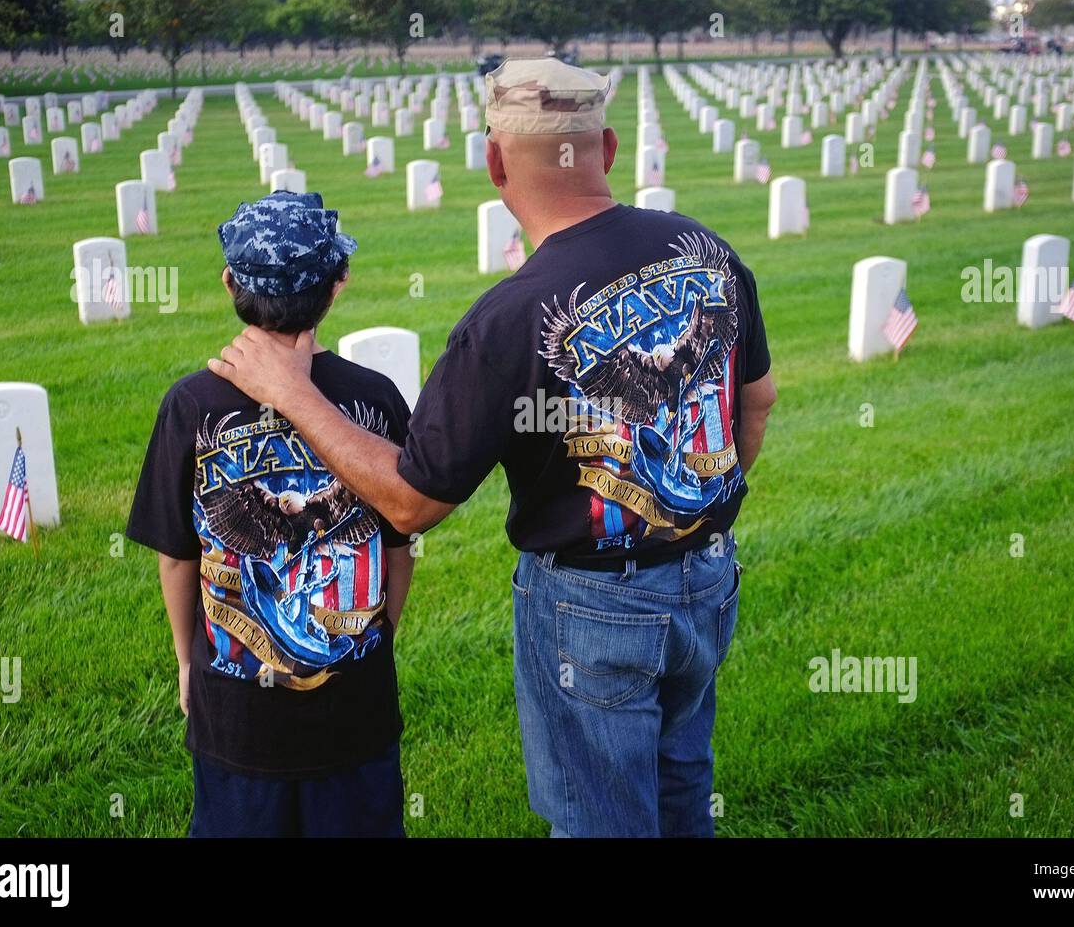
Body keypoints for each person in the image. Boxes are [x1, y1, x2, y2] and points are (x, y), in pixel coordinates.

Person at [210, 59, 777, 837]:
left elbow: (414, 499)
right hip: (709, 579)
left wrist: (296, 395)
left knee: (603, 821)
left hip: (595, 606)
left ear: (494, 162)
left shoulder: (509, 319)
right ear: (606, 148)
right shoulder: (707, 250)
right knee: (680, 793)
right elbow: (757, 400)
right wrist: (694, 515)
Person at [127, 191, 415, 837]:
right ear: (338, 283)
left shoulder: (190, 404)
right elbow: (399, 545)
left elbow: (177, 554)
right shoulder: (375, 400)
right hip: (354, 698)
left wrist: (186, 659)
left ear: (229, 282)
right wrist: (377, 635)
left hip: (234, 705)